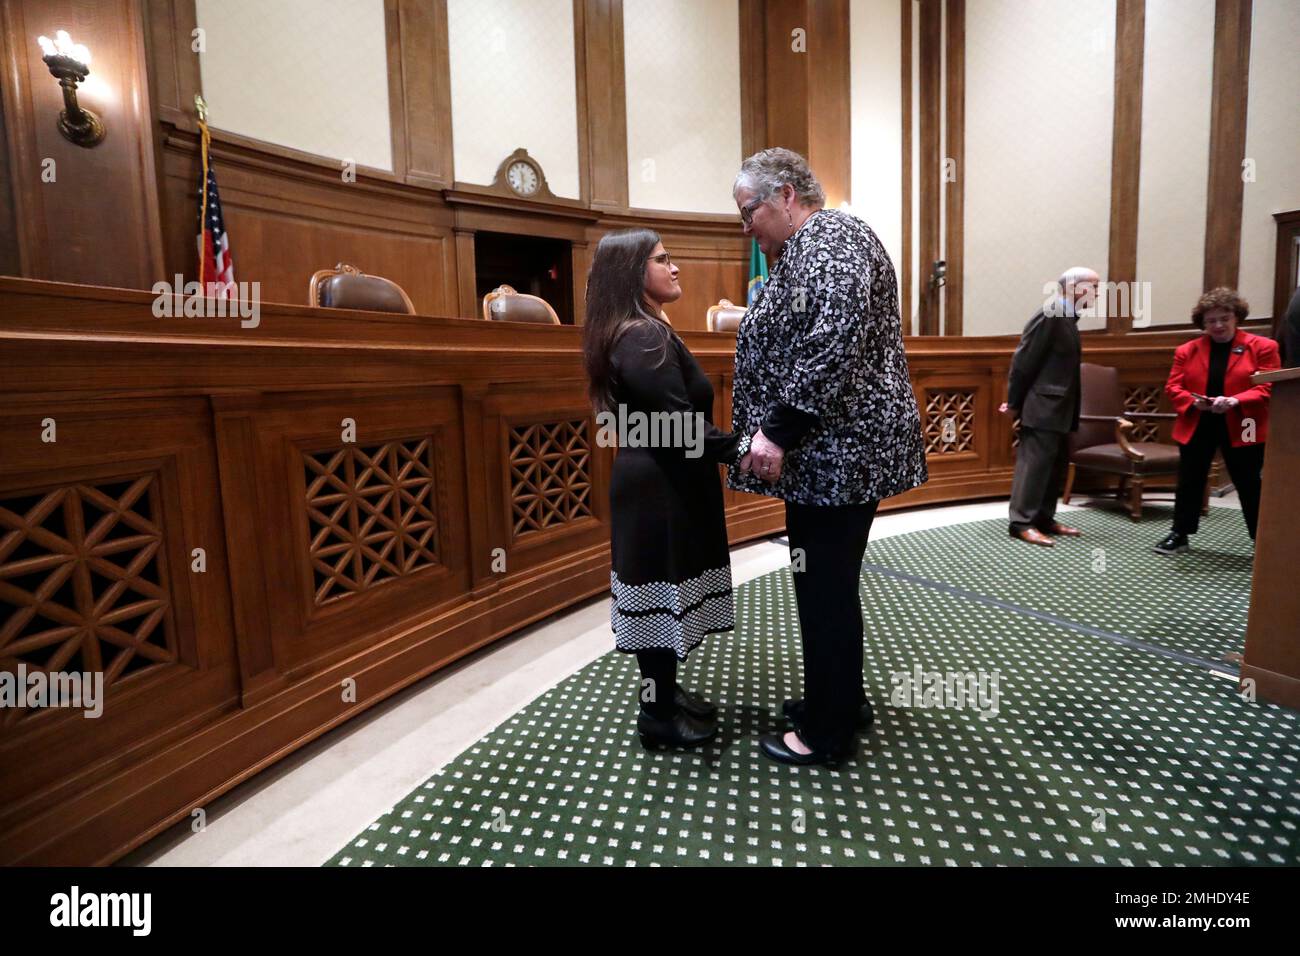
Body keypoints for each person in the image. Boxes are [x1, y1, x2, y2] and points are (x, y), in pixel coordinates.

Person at [728, 148, 927, 766]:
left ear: (786, 196)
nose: (746, 228)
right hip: (830, 455)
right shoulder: (811, 246)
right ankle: (838, 698)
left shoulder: (833, 238)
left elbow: (830, 345)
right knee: (827, 584)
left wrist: (777, 432)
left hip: (837, 456)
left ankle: (827, 731)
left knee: (824, 590)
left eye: (748, 212)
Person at [582, 229, 755, 748]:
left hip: (660, 479)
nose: (675, 268)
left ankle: (664, 695)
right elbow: (680, 428)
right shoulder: (640, 335)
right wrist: (745, 448)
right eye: (663, 260)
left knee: (664, 594)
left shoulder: (641, 327)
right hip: (658, 487)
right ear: (635, 274)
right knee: (659, 597)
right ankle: (656, 718)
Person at [1156, 288, 1279, 554]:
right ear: (1203, 323)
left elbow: (1268, 386)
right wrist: (1192, 401)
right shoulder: (1187, 350)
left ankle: (1263, 541)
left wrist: (1236, 400)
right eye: (1211, 321)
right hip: (1199, 421)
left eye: (1224, 318)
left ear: (1236, 317)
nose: (1218, 325)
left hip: (1244, 423)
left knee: (1248, 482)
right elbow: (1173, 387)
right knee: (1190, 480)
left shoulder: (1263, 347)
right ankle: (1179, 534)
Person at [998, 268, 1095, 547]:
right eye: (1094, 287)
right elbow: (1024, 360)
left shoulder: (1067, 317)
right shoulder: (1051, 313)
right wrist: (1014, 402)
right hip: (1043, 406)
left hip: (1061, 408)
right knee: (1034, 466)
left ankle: (1044, 518)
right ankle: (1021, 523)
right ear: (1075, 287)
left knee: (1053, 466)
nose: (1098, 294)